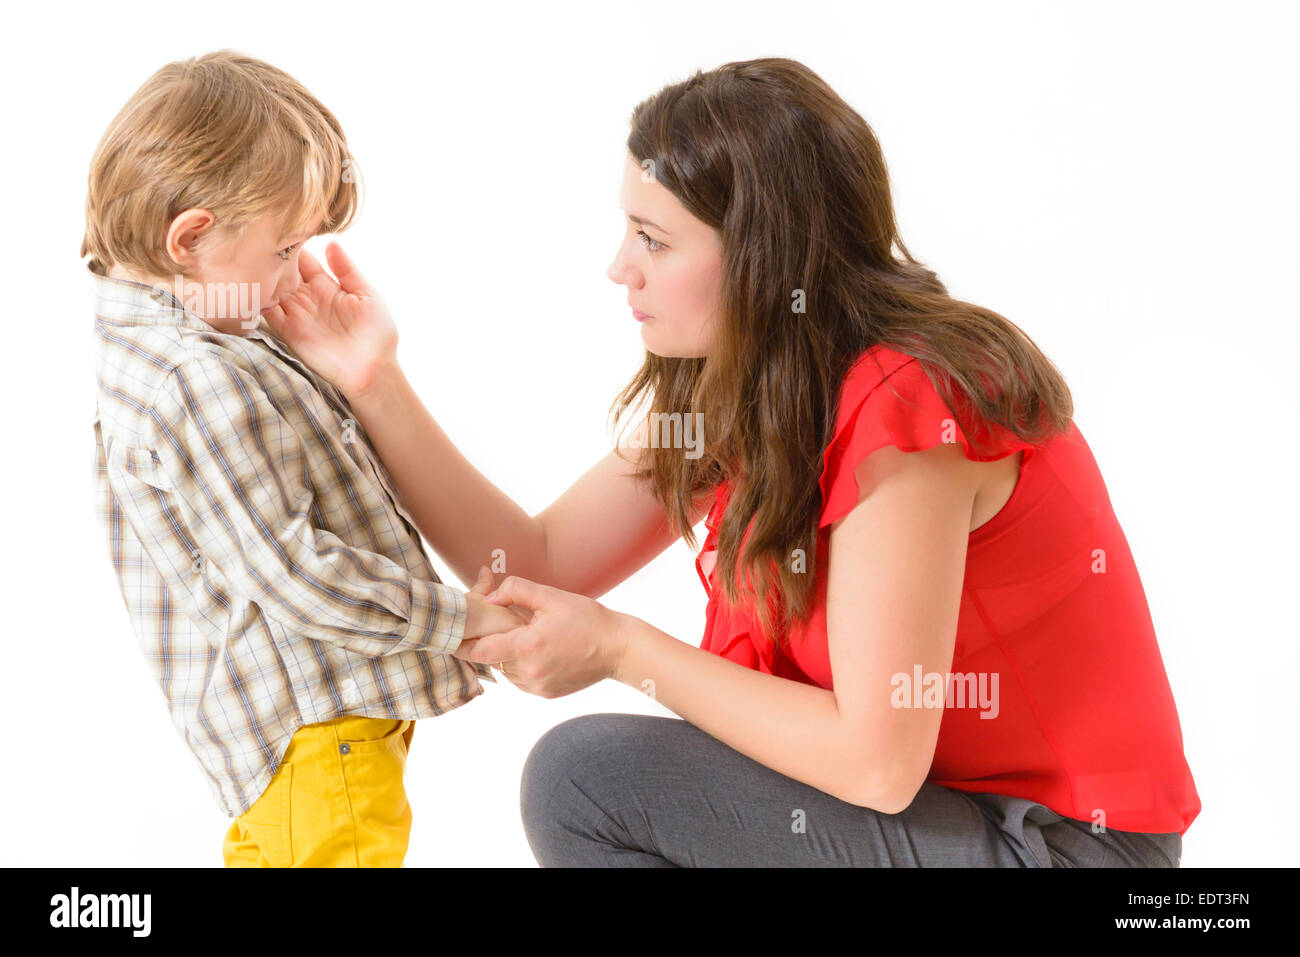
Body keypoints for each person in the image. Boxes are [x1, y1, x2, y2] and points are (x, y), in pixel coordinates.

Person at [263, 57, 1200, 867]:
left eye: (655, 239)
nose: (618, 267)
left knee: (587, 778)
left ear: (762, 257)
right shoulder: (748, 388)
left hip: (1058, 846)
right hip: (938, 824)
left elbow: (878, 760)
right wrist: (373, 378)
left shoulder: (908, 398)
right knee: (585, 780)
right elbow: (535, 562)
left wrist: (624, 647)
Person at [85, 50, 524, 867]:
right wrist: (463, 621)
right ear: (191, 238)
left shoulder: (189, 338)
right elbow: (298, 574)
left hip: (312, 749)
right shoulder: (195, 377)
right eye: (284, 249)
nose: (299, 272)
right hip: (322, 742)